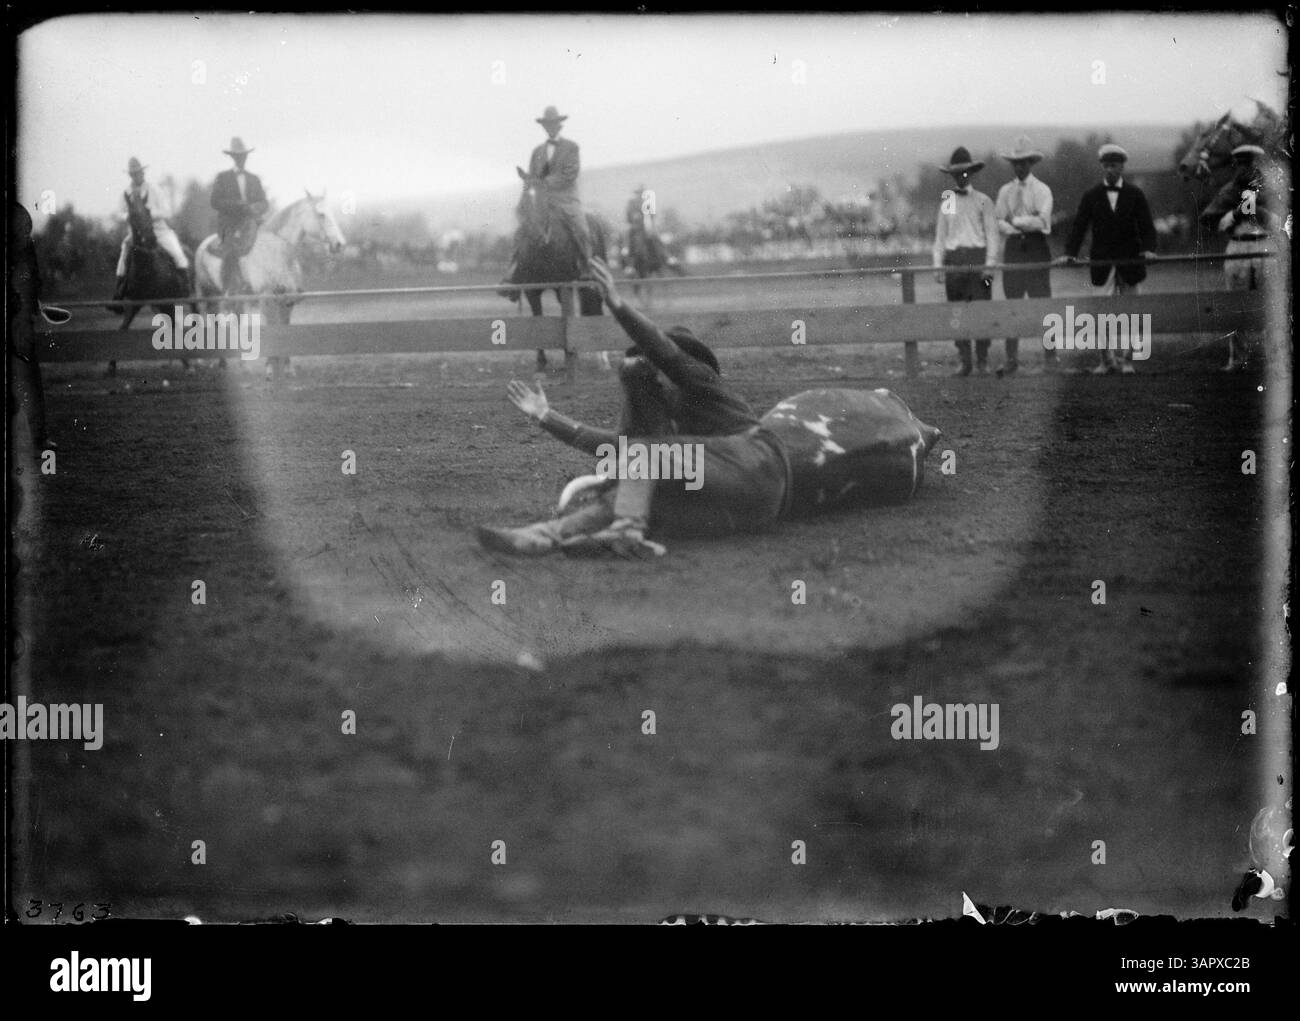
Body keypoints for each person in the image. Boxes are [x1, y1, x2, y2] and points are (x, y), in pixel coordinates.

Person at [476, 257, 792, 559]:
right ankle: (544, 536)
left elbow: (660, 348)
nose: (652, 374)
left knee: (642, 456)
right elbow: (619, 449)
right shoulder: (667, 429)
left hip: (759, 466)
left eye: (655, 365)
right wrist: (546, 416)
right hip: (740, 511)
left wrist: (616, 304)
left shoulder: (700, 381)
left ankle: (626, 532)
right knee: (634, 485)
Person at [1060, 143, 1158, 374]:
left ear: (1122, 167)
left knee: (1133, 311)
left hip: (1131, 262)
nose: (1109, 170)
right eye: (1106, 166)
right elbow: (1079, 227)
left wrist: (1150, 249)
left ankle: (1128, 361)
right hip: (1101, 263)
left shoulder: (1135, 194)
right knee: (1100, 311)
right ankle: (1106, 360)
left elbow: (1147, 227)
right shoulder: (1091, 195)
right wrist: (1070, 253)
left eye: (1114, 165)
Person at [499, 106, 593, 295]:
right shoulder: (537, 152)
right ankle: (513, 274)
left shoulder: (571, 148)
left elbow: (570, 174)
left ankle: (586, 268)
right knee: (521, 232)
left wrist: (543, 183)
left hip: (566, 199)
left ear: (559, 126)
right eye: (547, 125)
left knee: (581, 228)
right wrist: (525, 199)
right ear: (544, 126)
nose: (550, 128)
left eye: (553, 124)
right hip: (540, 201)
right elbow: (530, 180)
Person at [1203, 144, 1277, 371]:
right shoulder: (1228, 191)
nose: (1246, 169)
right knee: (1237, 303)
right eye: (1242, 164)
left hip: (1264, 246)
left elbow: (1280, 221)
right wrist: (1234, 214)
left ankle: (1274, 360)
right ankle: (1237, 358)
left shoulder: (1271, 191)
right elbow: (1209, 219)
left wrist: (1258, 211)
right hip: (1238, 246)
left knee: (1270, 302)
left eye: (1251, 164)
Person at [933, 147, 1000, 376]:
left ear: (971, 173)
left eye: (965, 172)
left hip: (978, 260)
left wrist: (990, 266)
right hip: (954, 263)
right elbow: (941, 237)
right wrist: (938, 265)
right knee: (957, 313)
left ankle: (982, 360)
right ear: (951, 175)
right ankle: (964, 360)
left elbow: (992, 235)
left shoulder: (983, 201)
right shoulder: (948, 200)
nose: (961, 177)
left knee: (982, 310)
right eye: (956, 173)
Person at [993, 136, 1055, 374]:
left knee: (1043, 304)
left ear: (1031, 163)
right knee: (1013, 305)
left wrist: (1016, 221)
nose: (1019, 167)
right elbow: (999, 221)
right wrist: (1013, 227)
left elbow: (1042, 221)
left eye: (1024, 162)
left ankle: (1050, 358)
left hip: (1037, 249)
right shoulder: (1005, 191)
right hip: (1013, 251)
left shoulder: (1041, 190)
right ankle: (1011, 359)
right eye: (1016, 163)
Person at [110, 157, 189, 308]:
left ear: (143, 172)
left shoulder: (155, 190)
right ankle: (118, 293)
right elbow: (119, 213)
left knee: (178, 253)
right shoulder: (126, 193)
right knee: (124, 252)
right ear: (130, 175)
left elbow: (167, 212)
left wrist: (148, 215)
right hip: (136, 233)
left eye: (138, 172)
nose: (136, 176)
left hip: (159, 230)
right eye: (133, 174)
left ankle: (185, 288)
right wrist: (130, 216)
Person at [210, 137, 268, 293]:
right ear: (232, 158)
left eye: (243, 156)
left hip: (250, 222)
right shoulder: (222, 178)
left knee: (268, 244)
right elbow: (214, 201)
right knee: (231, 250)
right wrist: (236, 204)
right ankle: (229, 287)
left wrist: (256, 208)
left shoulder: (254, 179)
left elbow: (264, 202)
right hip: (228, 224)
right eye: (238, 156)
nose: (241, 159)